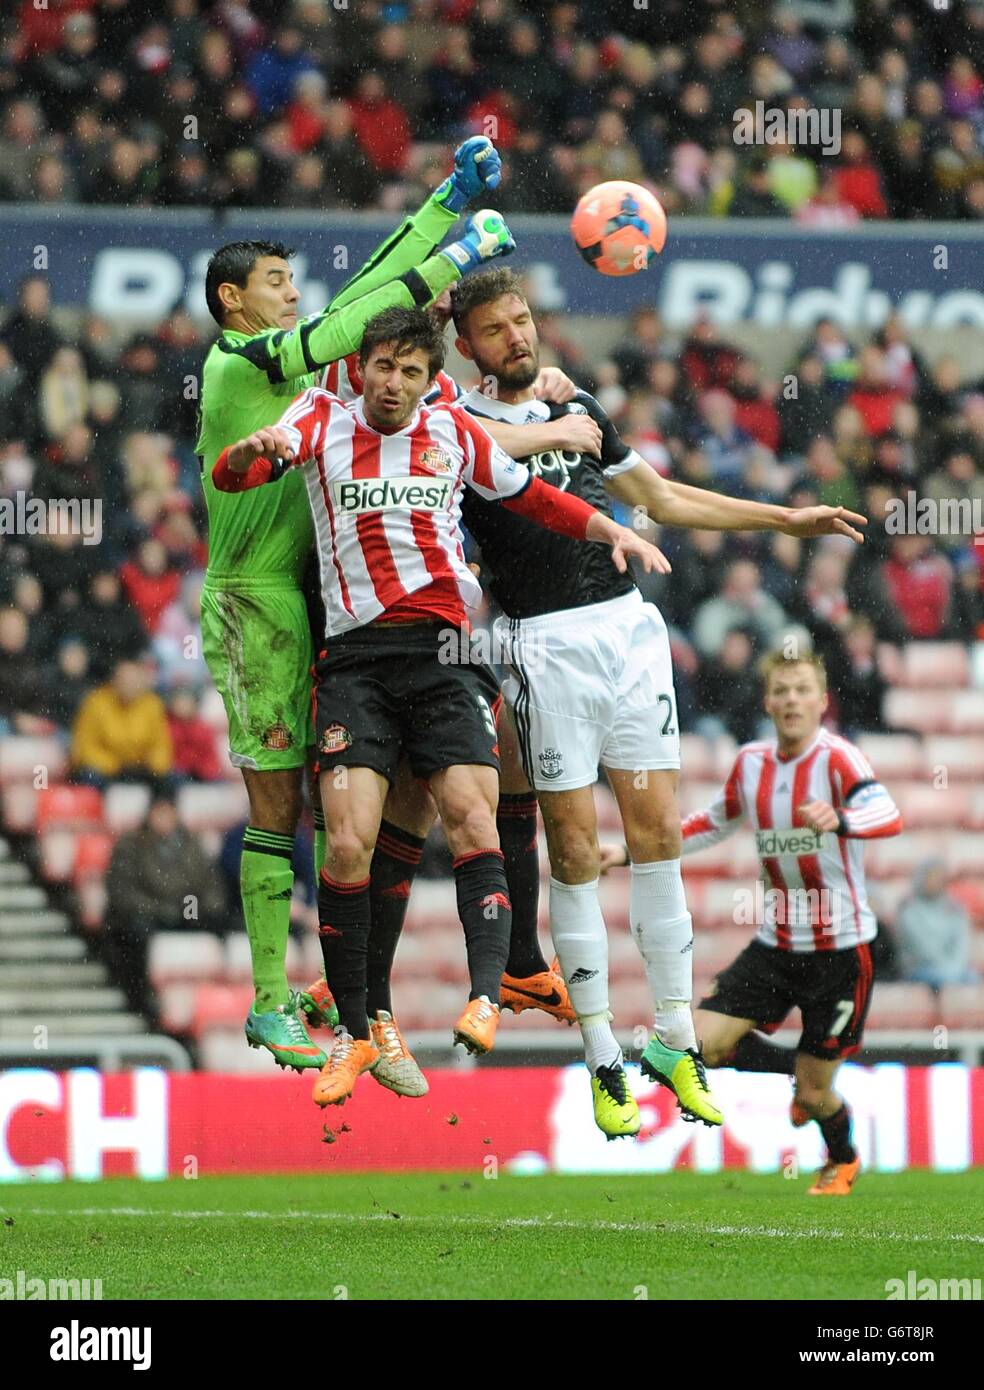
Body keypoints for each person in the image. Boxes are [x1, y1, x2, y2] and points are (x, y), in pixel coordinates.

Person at [211, 305, 669, 1108]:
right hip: (355, 660)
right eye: (384, 366)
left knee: (469, 812)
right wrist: (247, 455)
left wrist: (610, 530)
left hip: (446, 655)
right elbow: (236, 477)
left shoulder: (453, 429)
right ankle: (359, 1030)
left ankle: (489, 992)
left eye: (412, 372)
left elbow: (532, 497)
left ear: (431, 381)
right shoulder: (319, 416)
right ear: (361, 368)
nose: (394, 383)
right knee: (346, 843)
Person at [196, 136, 511, 1074]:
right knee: (276, 804)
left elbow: (367, 292)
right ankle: (269, 1001)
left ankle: (351, 996)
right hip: (254, 601)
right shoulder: (239, 365)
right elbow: (347, 329)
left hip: (321, 608)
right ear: (233, 300)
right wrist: (458, 259)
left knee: (364, 803)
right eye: (277, 282)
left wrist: (447, 203)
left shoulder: (298, 377)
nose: (295, 293)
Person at [610, 650, 902, 1196]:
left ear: (822, 701)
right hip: (775, 947)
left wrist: (841, 818)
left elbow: (888, 813)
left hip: (841, 954)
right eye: (782, 690)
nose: (791, 700)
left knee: (815, 1096)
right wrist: (633, 851)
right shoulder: (751, 763)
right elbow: (712, 823)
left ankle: (842, 1159)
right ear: (767, 701)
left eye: (802, 690)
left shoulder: (839, 760)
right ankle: (798, 1066)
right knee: (697, 1046)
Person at [104, 788, 226, 1026]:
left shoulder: (193, 845)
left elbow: (211, 887)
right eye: (159, 812)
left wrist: (194, 912)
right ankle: (142, 998)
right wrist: (161, 911)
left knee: (222, 927)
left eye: (169, 812)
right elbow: (123, 893)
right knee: (136, 934)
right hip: (147, 919)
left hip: (187, 915)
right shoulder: (131, 845)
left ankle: (207, 1003)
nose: (164, 819)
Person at [71, 659, 172, 788]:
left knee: (171, 780)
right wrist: (114, 766)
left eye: (134, 681)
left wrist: (153, 766)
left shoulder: (152, 704)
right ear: (114, 681)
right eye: (125, 681)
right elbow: (85, 747)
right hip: (106, 769)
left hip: (141, 769)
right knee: (91, 777)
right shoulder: (96, 703)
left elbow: (161, 745)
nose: (130, 686)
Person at [896, 860, 978, 992]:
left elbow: (962, 944)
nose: (935, 882)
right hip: (919, 969)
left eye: (939, 877)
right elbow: (922, 948)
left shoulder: (955, 908)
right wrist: (948, 969)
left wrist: (954, 967)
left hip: (953, 970)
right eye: (931, 877)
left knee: (973, 979)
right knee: (944, 978)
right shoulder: (908, 909)